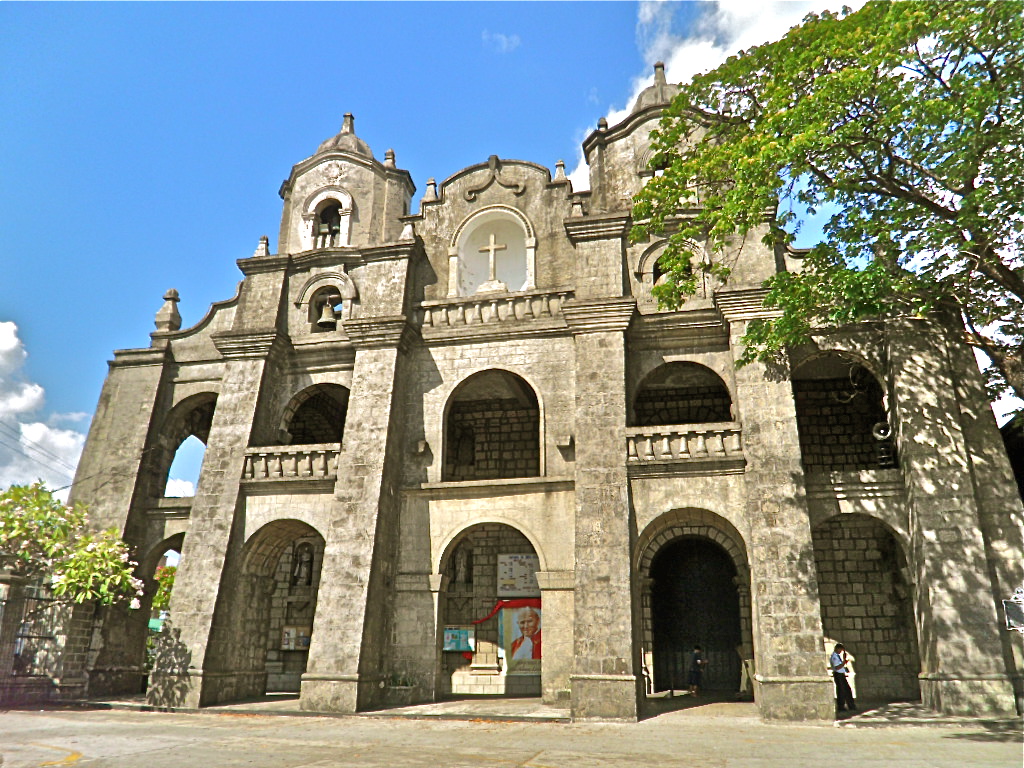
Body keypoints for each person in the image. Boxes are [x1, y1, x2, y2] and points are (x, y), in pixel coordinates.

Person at [830, 643, 856, 712]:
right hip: (838, 675)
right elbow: (837, 667)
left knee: (846, 690)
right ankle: (841, 706)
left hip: (841, 674)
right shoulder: (834, 657)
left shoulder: (837, 656)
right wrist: (844, 662)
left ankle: (849, 705)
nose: (840, 651)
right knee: (841, 691)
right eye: (840, 650)